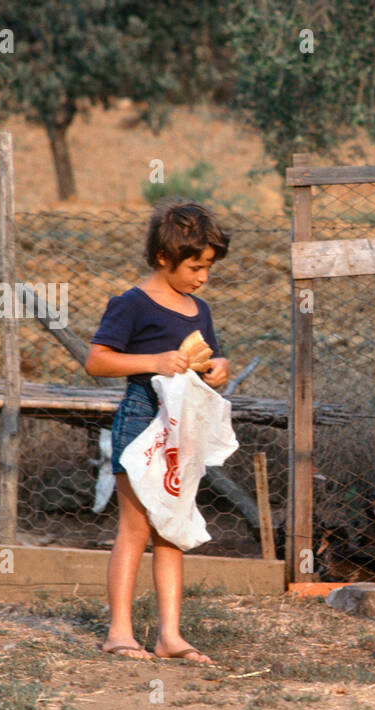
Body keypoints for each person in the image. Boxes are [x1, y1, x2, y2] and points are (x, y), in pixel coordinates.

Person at [85, 202, 231, 663]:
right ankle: (119, 633)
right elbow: (97, 360)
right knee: (135, 527)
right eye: (195, 267)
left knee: (172, 529)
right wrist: (153, 362)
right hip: (140, 419)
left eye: (208, 267)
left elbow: (210, 357)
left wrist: (218, 368)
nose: (202, 277)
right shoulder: (131, 304)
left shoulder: (198, 309)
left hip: (180, 427)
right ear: (164, 258)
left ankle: (170, 636)